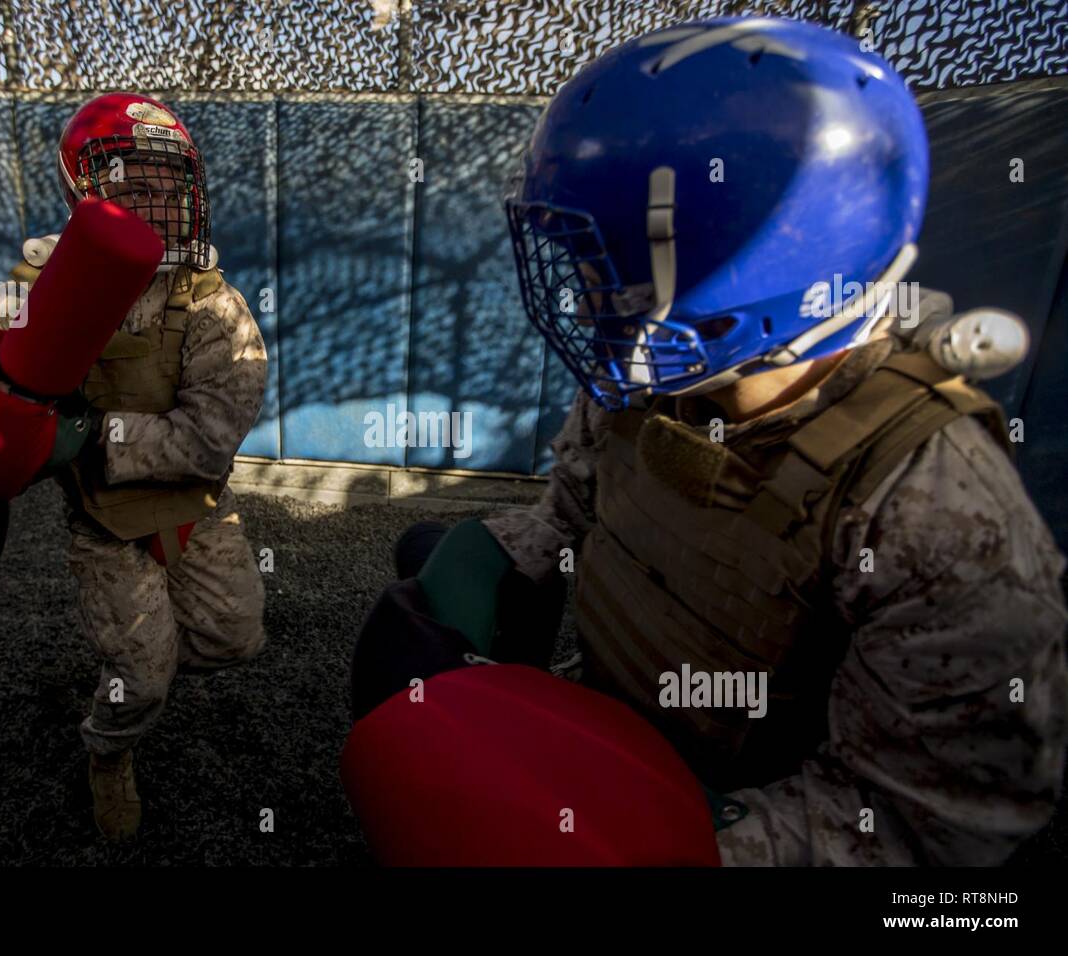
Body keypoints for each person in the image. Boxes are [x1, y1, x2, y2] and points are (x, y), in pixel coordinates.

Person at [348, 17, 1068, 866]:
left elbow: (924, 825)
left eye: (612, 266)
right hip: (627, 734)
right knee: (431, 551)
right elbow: (575, 518)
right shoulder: (659, 372)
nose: (586, 299)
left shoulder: (938, 514)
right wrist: (491, 575)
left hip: (741, 814)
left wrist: (681, 847)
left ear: (756, 271)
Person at [0, 92, 268, 840]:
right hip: (103, 523)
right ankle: (109, 751)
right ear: (88, 189)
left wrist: (91, 434)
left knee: (234, 640)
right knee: (140, 677)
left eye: (169, 185)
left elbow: (207, 442)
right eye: (136, 183)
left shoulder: (213, 304)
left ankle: (149, 665)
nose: (158, 199)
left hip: (198, 510)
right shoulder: (42, 285)